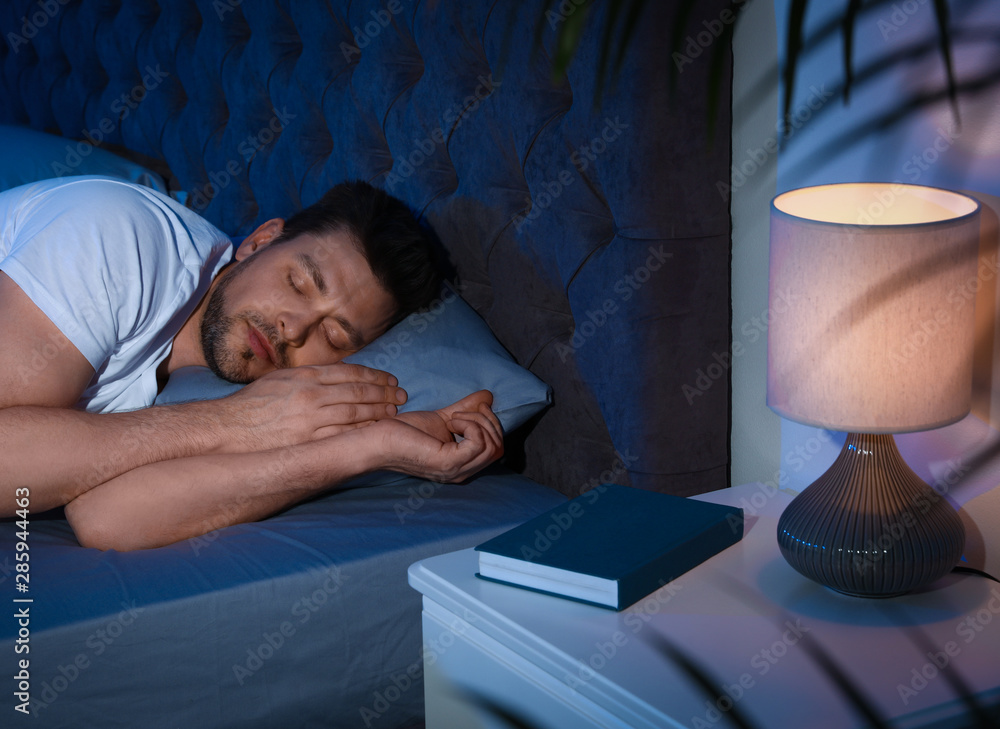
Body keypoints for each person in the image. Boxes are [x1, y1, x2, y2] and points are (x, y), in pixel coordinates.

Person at [0, 176, 503, 551]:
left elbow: (105, 518)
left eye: (331, 336)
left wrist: (364, 449)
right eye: (298, 283)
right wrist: (235, 422)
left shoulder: (237, 386)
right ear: (259, 242)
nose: (294, 328)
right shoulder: (118, 238)